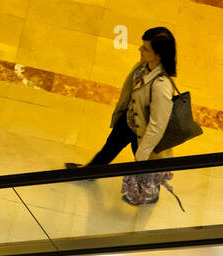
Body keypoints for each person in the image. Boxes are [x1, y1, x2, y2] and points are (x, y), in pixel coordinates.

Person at [66, 27, 179, 207]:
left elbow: (157, 126)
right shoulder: (141, 67)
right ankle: (89, 172)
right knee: (109, 149)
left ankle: (151, 194)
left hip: (142, 134)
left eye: (145, 48)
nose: (139, 50)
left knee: (145, 168)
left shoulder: (161, 87)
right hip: (128, 121)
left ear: (158, 55)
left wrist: (143, 153)